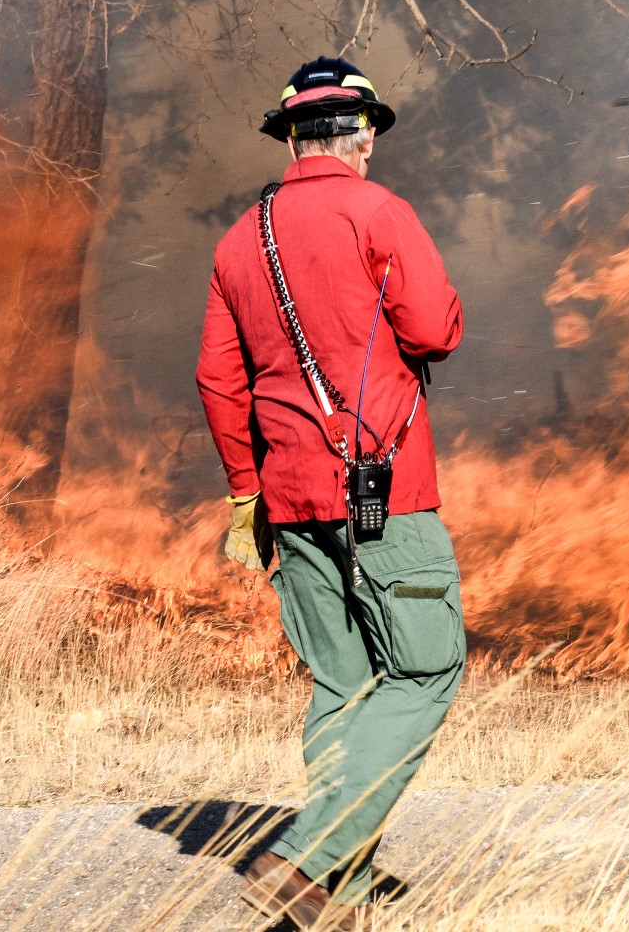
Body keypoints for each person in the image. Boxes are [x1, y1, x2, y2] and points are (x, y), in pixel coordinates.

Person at [196, 57, 465, 931]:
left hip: (288, 497)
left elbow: (216, 380)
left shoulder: (241, 238)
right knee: (425, 669)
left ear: (290, 138)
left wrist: (246, 494)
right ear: (364, 135)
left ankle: (336, 896)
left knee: (341, 685)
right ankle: (305, 860)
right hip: (387, 489)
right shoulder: (379, 211)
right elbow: (434, 329)